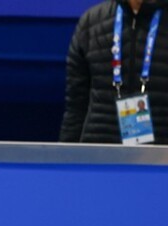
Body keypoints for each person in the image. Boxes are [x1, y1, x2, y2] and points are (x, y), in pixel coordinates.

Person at [60, 0, 168, 144]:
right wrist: (67, 159)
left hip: (159, 159)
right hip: (98, 155)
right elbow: (75, 108)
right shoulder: (91, 23)